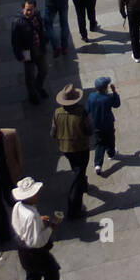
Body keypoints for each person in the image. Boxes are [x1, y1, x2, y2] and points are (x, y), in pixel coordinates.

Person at [10, 177, 62, 280]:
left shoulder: (18, 207)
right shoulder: (32, 216)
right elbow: (37, 242)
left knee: (32, 278)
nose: (37, 195)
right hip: (34, 254)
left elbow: (19, 225)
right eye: (35, 193)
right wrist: (51, 227)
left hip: (22, 250)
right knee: (52, 274)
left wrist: (40, 220)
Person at [50, 85, 91, 221]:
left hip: (65, 148)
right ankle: (74, 209)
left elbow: (53, 133)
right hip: (81, 147)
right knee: (78, 175)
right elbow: (88, 130)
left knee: (76, 168)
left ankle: (83, 184)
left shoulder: (57, 113)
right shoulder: (81, 112)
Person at [11, 0, 48, 105]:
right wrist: (19, 55)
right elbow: (15, 41)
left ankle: (38, 87)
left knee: (44, 70)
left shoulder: (37, 16)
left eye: (31, 10)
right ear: (23, 9)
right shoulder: (17, 22)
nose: (29, 12)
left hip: (39, 49)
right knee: (30, 75)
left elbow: (41, 29)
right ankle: (32, 94)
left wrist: (45, 39)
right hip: (27, 52)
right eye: (27, 10)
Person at [87, 77, 120, 176]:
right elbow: (117, 104)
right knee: (110, 139)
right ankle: (111, 154)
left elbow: (87, 109)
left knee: (99, 144)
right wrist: (114, 92)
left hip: (96, 126)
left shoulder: (91, 97)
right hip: (108, 124)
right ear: (106, 87)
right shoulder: (107, 98)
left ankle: (98, 165)